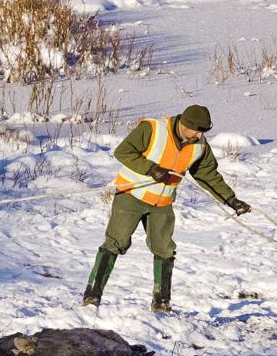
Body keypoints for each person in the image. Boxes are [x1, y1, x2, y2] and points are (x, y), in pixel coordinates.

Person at [82, 104, 253, 312]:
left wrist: (231, 200)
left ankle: (162, 303)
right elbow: (123, 152)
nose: (199, 135)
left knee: (165, 249)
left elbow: (207, 174)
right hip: (131, 195)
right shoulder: (153, 129)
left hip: (162, 203)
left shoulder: (199, 145)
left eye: (204, 131)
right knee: (115, 243)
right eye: (197, 130)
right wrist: (151, 169)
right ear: (184, 124)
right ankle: (92, 297)